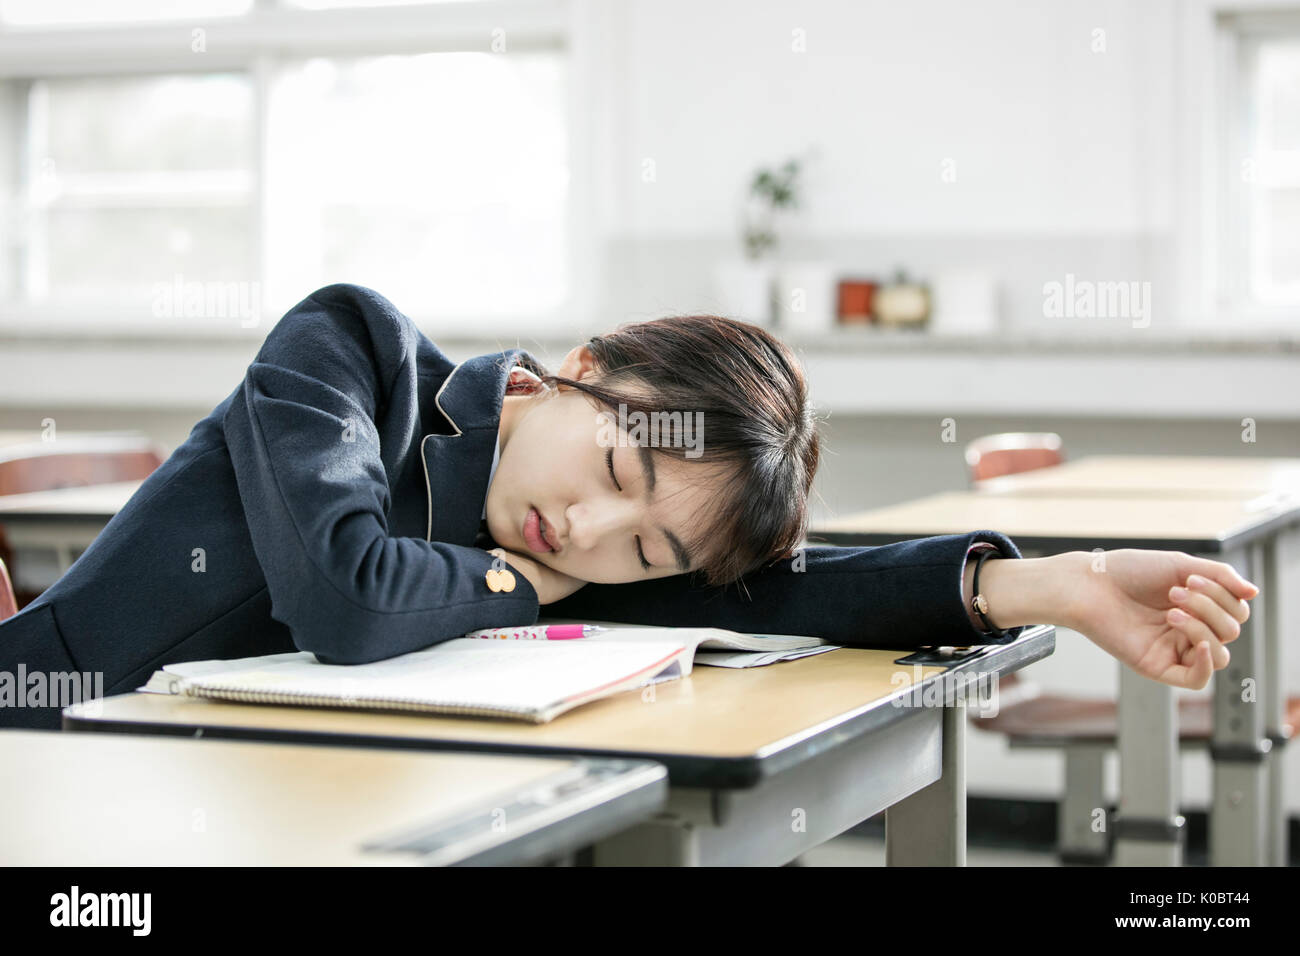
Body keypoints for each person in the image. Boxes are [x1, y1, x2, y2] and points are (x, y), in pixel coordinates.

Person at [0, 284, 1257, 730]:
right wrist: (515, 587)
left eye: (647, 549)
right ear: (583, 369)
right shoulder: (355, 352)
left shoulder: (592, 542)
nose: (588, 539)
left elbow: (783, 589)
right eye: (614, 474)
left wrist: (1044, 580)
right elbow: (342, 592)